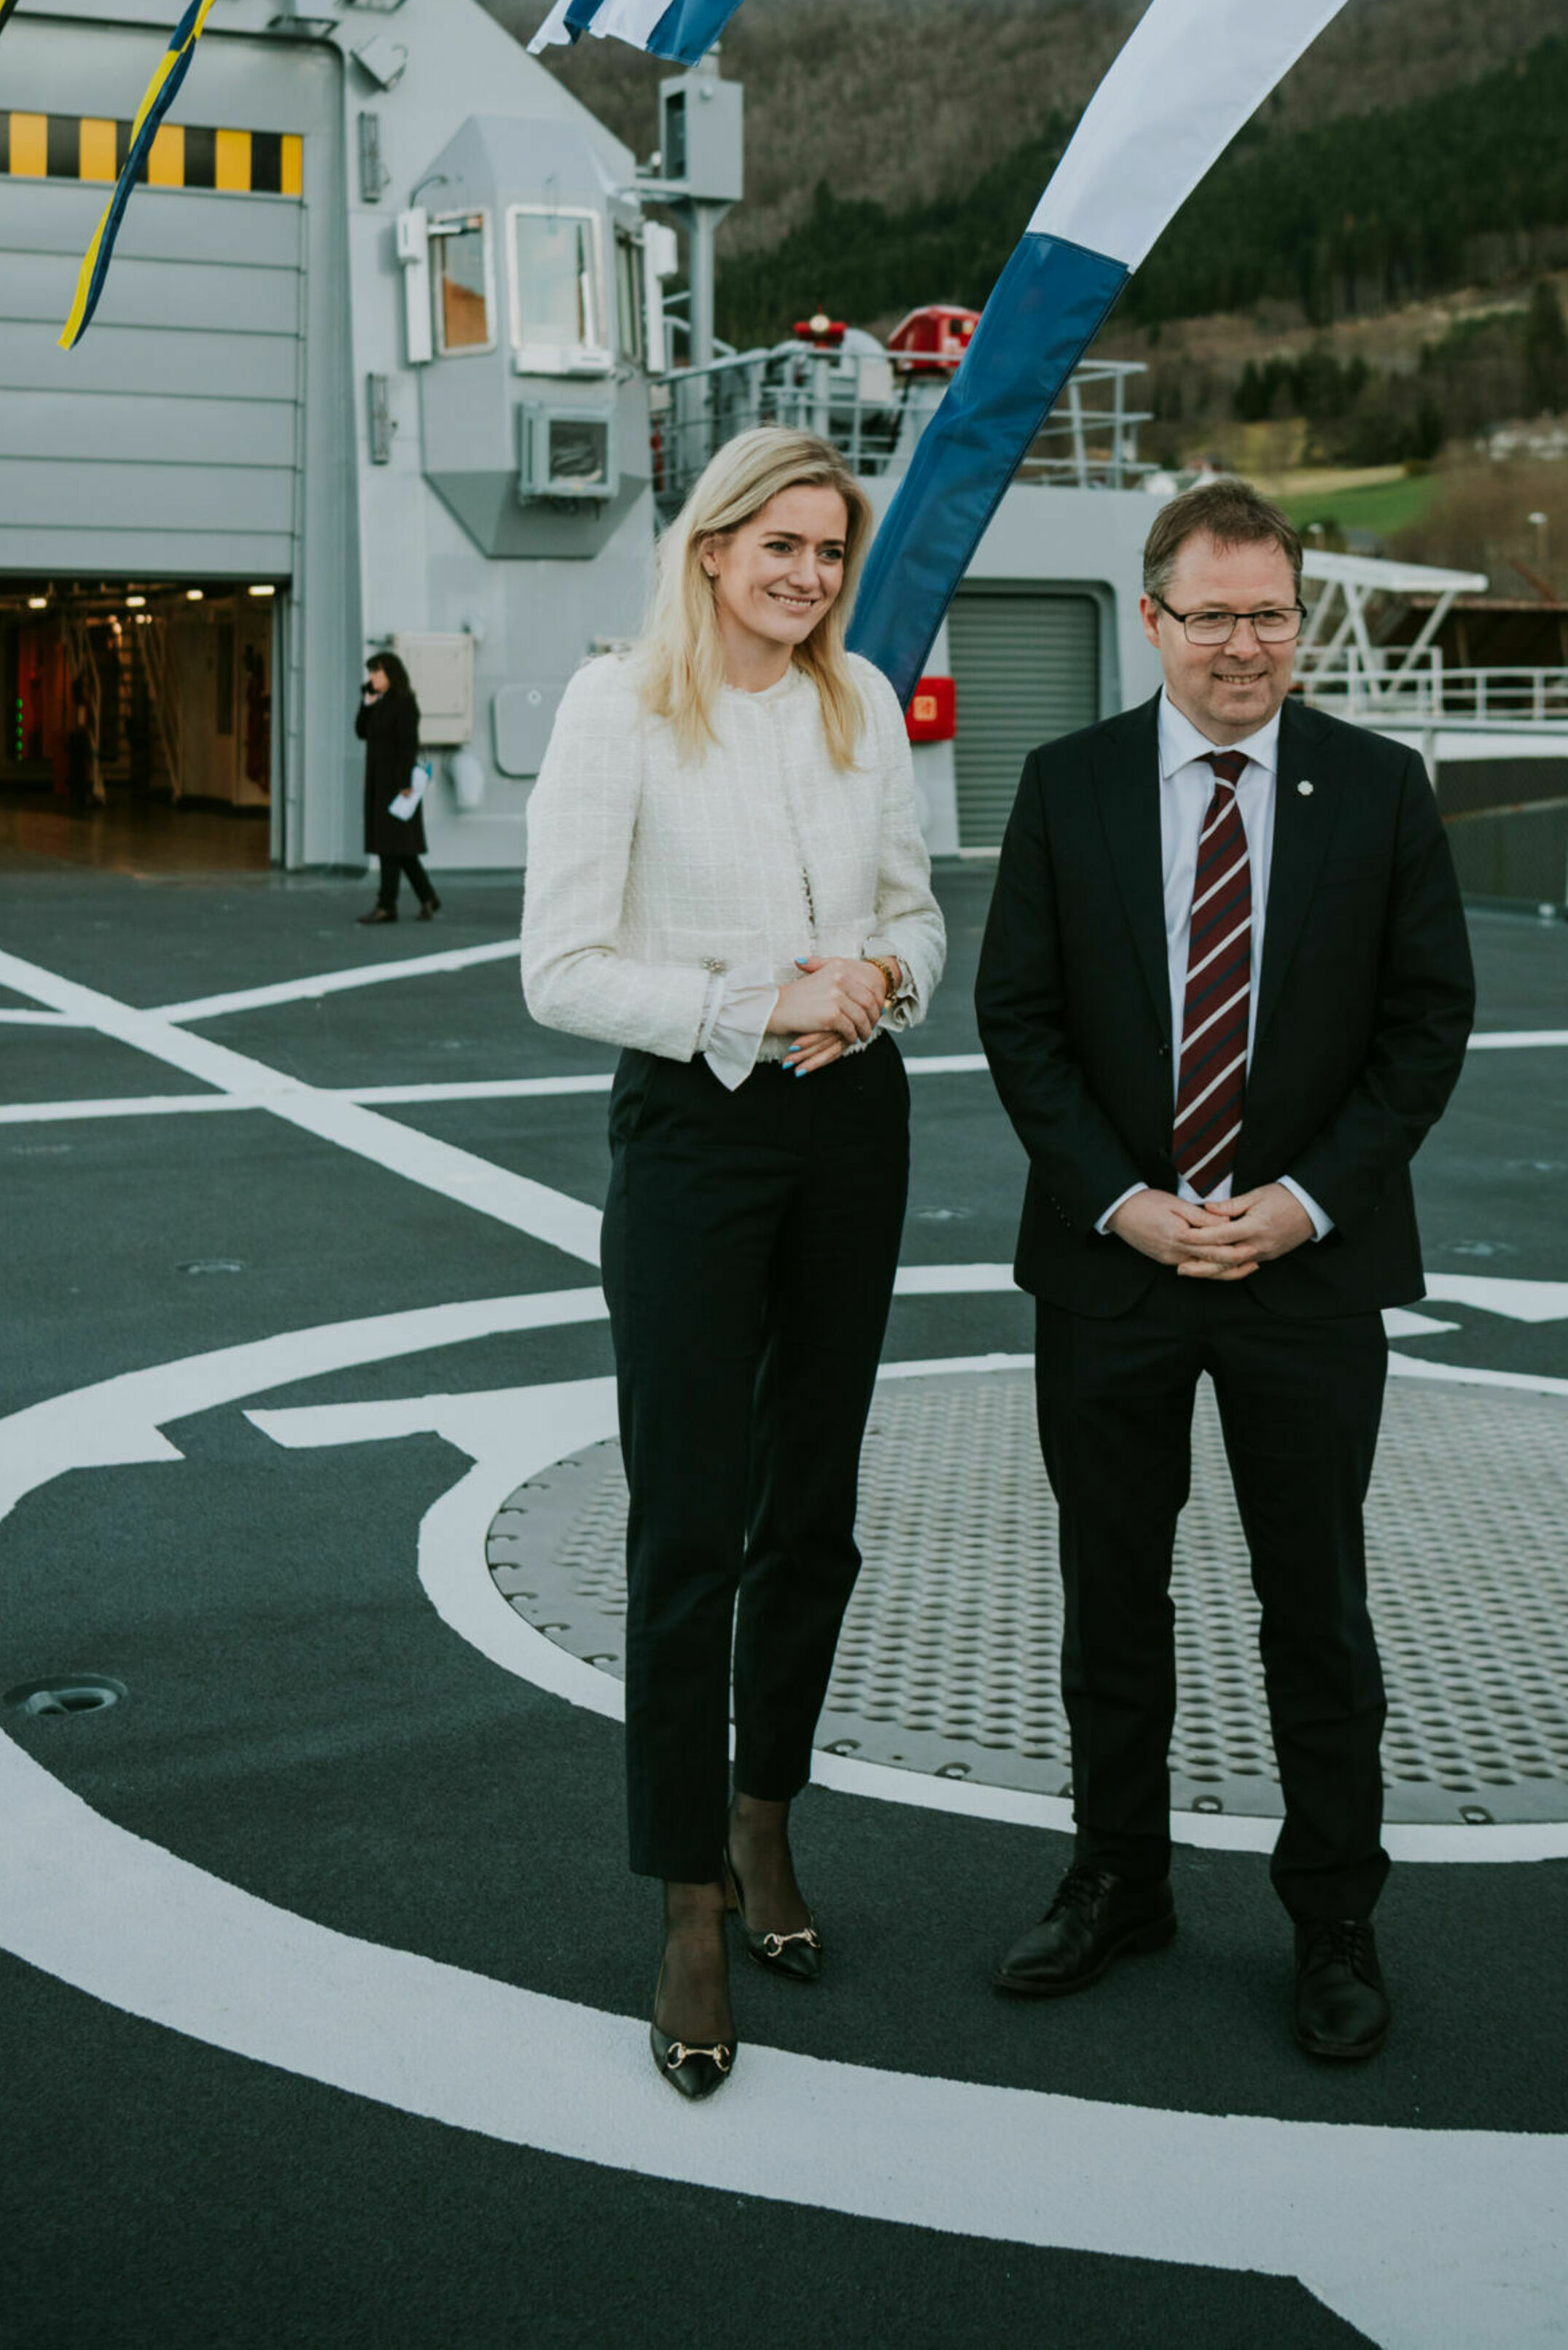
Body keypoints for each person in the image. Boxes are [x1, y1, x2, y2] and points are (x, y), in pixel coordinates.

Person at [975, 475, 1473, 2062]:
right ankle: (1119, 1875)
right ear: (1153, 618)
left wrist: (1310, 1201)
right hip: (1111, 1268)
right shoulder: (1068, 784)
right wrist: (1120, 1199)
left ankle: (1334, 1914)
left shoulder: (1381, 786)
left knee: (1313, 1607)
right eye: (1214, 612)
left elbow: (1426, 1023)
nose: (1244, 642)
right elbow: (1021, 1021)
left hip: (1305, 1276)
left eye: (1272, 610)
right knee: (1111, 1598)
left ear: (1300, 616)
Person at [522, 429, 945, 2101]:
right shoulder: (616, 706)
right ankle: (687, 1896)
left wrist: (874, 983)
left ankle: (766, 1815)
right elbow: (557, 967)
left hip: (850, 1124)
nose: (805, 578)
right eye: (777, 548)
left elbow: (916, 916)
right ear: (710, 549)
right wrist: (751, 1003)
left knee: (814, 1506)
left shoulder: (857, 712)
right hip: (693, 1132)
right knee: (688, 1520)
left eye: (827, 555)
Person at [355, 651, 437, 924]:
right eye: (370, 673)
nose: (372, 678)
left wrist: (404, 784)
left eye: (376, 672)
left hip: (396, 784)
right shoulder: (379, 703)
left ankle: (386, 905)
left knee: (390, 847)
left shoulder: (404, 704)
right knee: (400, 848)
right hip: (378, 781)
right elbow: (361, 732)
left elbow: (407, 746)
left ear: (391, 674)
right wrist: (366, 704)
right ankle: (427, 897)